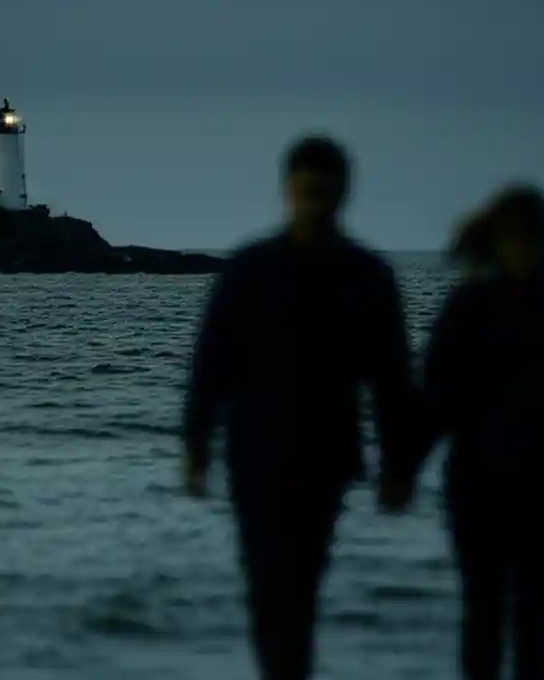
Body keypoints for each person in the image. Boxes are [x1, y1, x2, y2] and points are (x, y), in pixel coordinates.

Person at [182, 135, 415, 680]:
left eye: (325, 193)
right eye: (307, 191)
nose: (315, 203)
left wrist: (398, 467)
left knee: (301, 588)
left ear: (343, 194)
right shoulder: (250, 270)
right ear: (288, 190)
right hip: (254, 459)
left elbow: (392, 379)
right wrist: (196, 448)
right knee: (266, 589)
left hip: (325, 460)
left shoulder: (366, 276)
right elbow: (210, 365)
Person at [383, 184, 544, 680]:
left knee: (534, 622)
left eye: (533, 237)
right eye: (517, 237)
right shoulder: (470, 308)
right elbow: (436, 401)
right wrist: (404, 469)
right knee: (485, 616)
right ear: (499, 241)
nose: (525, 248)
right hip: (479, 490)